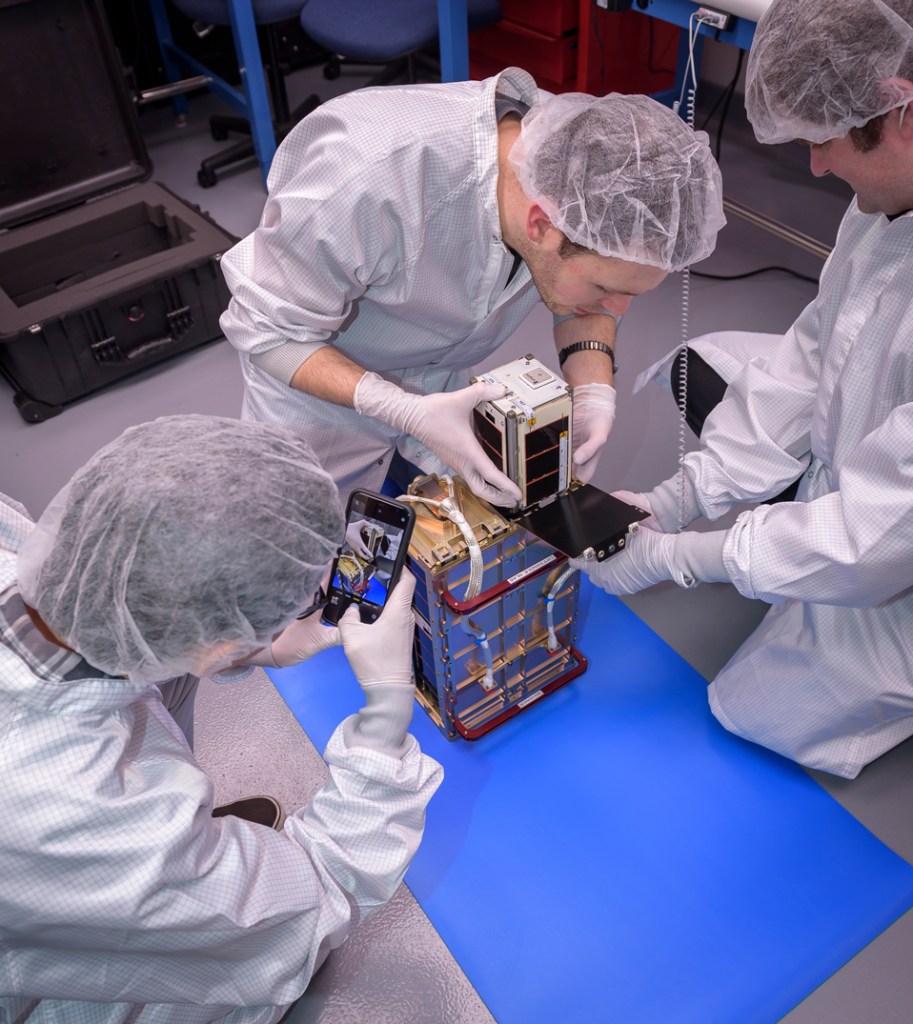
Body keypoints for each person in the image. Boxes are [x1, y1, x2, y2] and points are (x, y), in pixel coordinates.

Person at [0, 414, 442, 1023]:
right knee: (243, 965)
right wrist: (389, 707)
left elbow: (138, 607)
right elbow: (312, 900)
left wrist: (265, 646)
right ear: (215, 645)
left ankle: (194, 866)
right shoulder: (84, 812)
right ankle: (189, 880)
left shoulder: (35, 551)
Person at [572, 0, 913, 780]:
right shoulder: (885, 203)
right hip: (868, 477)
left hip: (893, 552)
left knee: (754, 711)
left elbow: (874, 536)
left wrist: (680, 560)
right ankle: (771, 540)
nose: (816, 168)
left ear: (898, 108)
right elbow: (811, 356)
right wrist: (677, 500)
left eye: (822, 142)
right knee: (701, 363)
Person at [218, 67, 725, 508]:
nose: (616, 309)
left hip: (443, 382)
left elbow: (593, 297)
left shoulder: (585, 164)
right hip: (316, 392)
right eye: (602, 286)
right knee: (311, 570)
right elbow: (266, 331)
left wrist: (593, 388)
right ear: (540, 224)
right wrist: (400, 408)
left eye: (632, 292)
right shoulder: (367, 178)